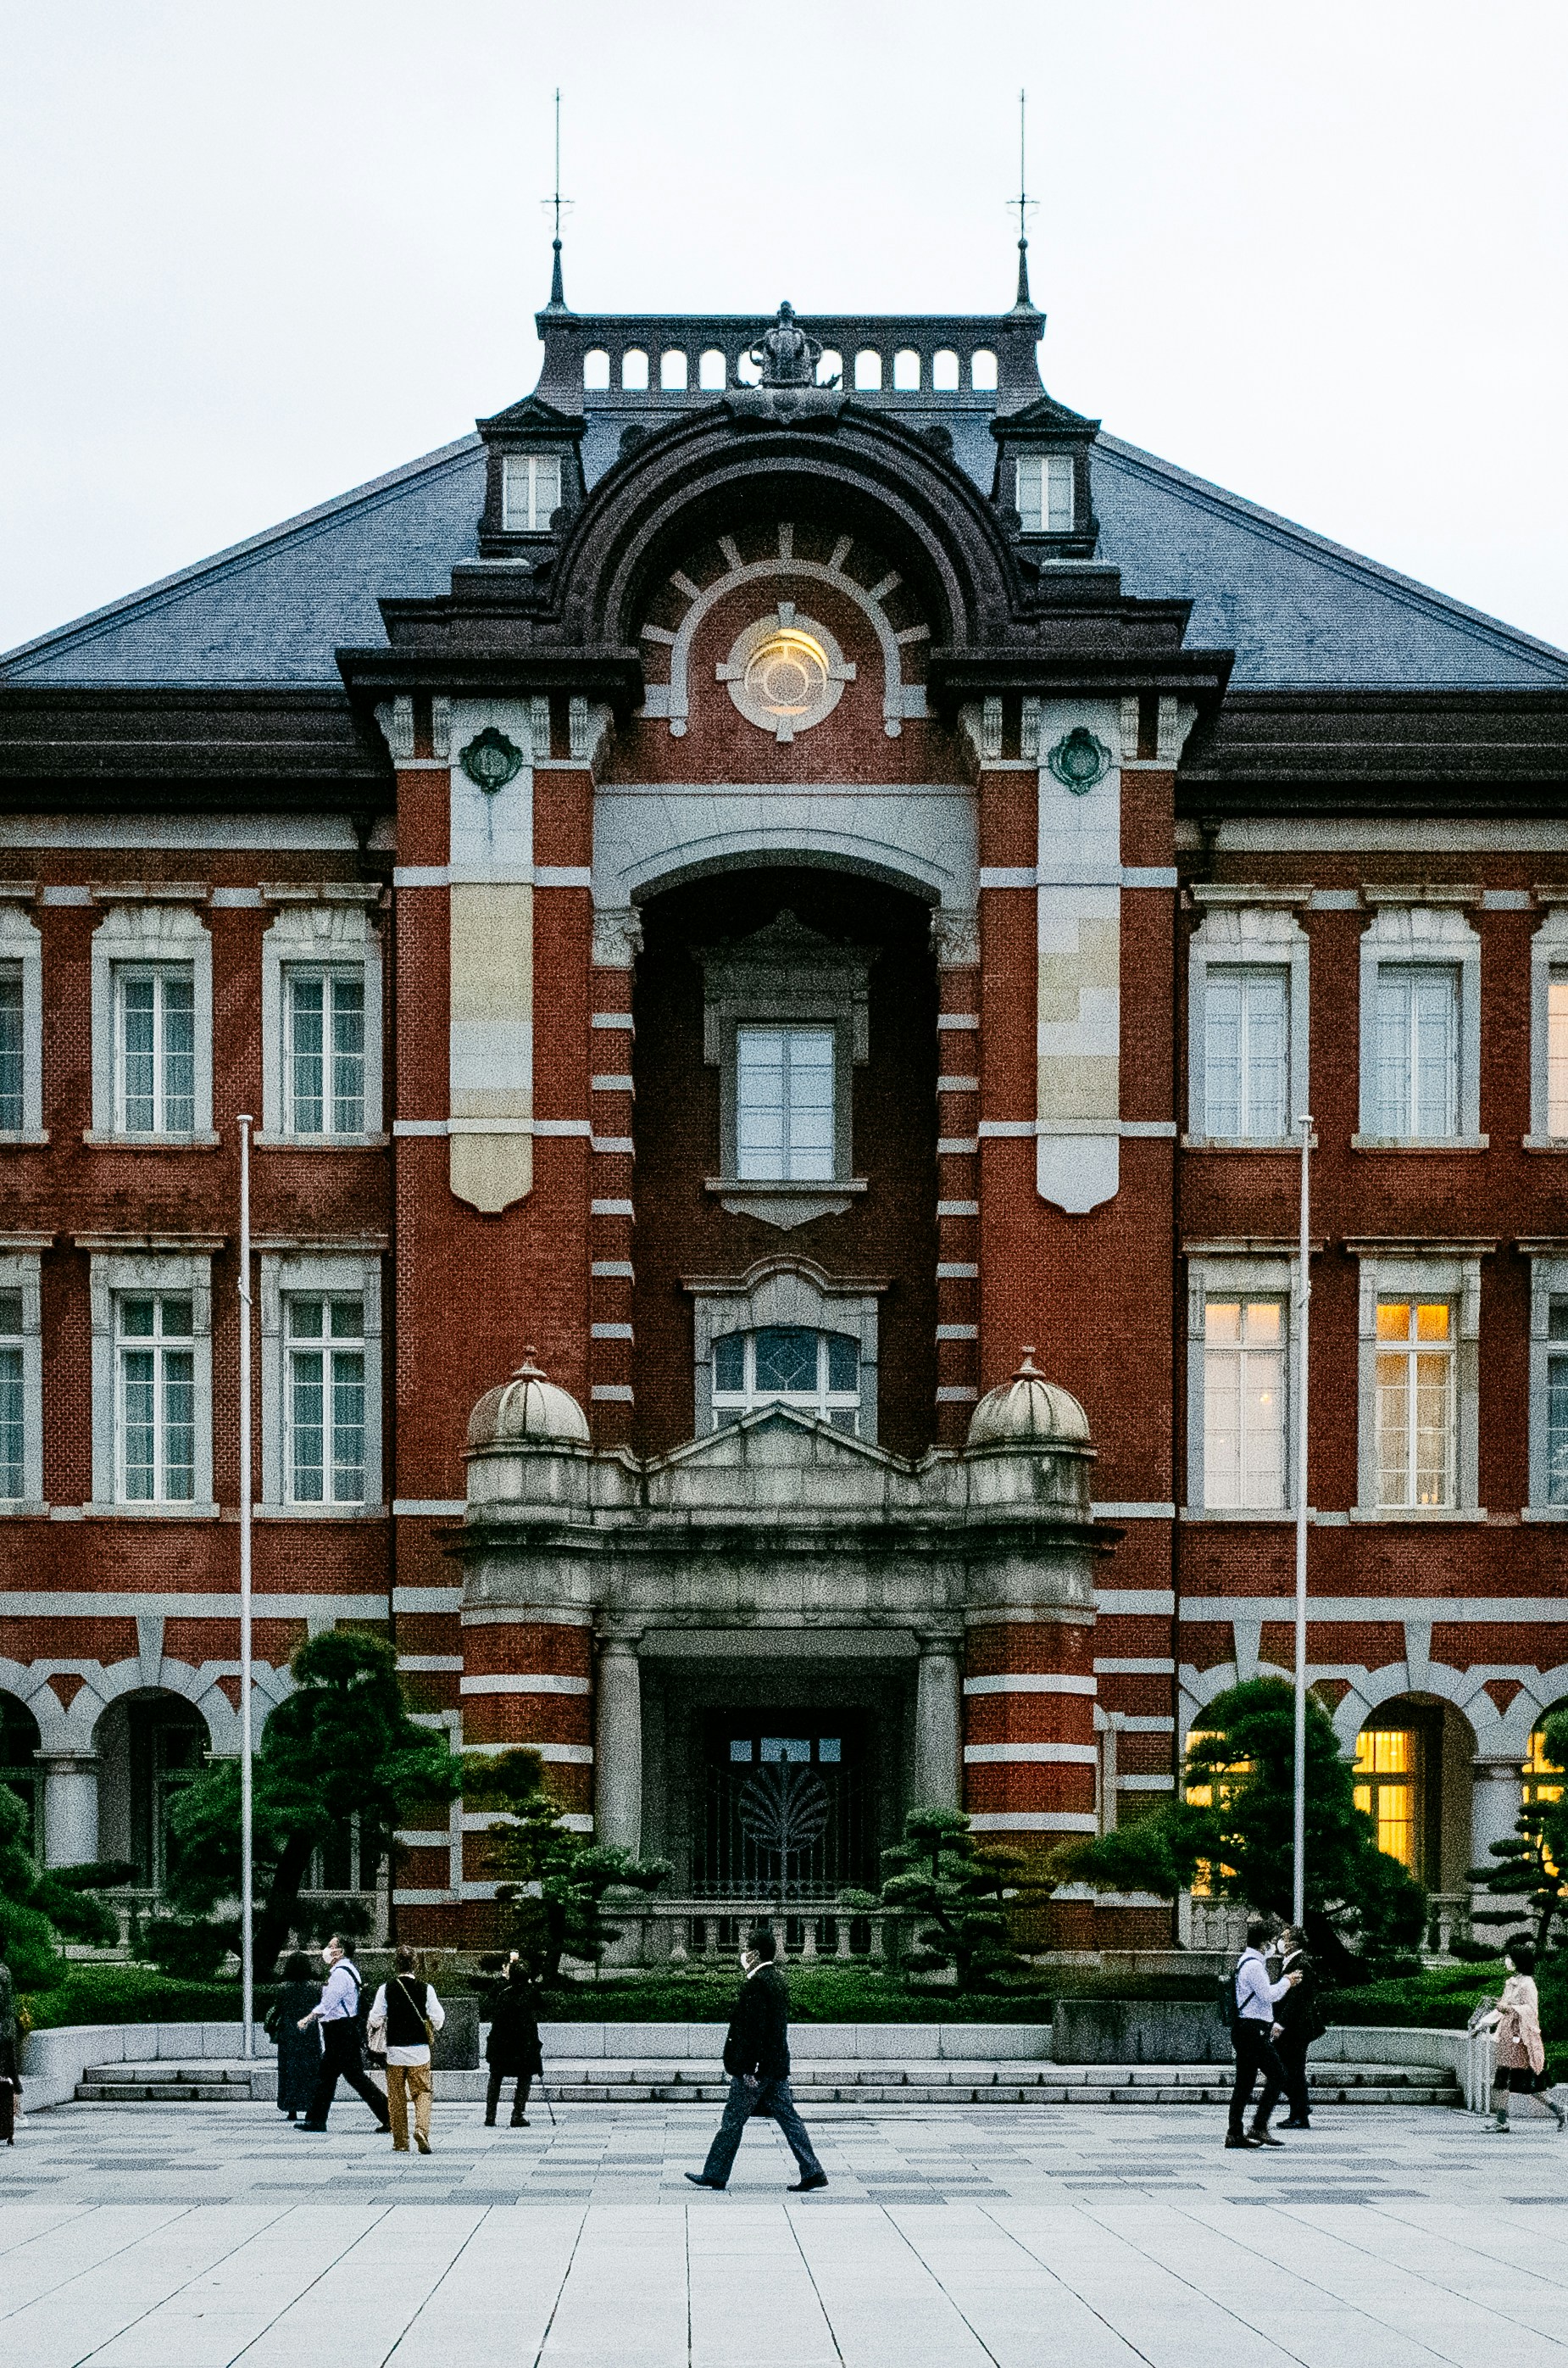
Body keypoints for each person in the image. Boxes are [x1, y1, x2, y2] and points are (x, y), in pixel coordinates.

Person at [686, 1927, 826, 2193]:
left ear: (756, 1953)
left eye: (747, 1949)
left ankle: (714, 2174)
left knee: (733, 2120)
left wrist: (750, 2068)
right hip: (775, 2066)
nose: (744, 1954)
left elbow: (755, 2030)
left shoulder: (758, 1983)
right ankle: (812, 2169)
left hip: (758, 2069)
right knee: (789, 2118)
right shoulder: (777, 1980)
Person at [297, 1934, 390, 2134]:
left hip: (339, 2031)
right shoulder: (347, 1970)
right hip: (341, 2031)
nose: (327, 1950)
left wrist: (308, 2018)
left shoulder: (340, 1974)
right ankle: (316, 2120)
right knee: (328, 2076)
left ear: (340, 1952)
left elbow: (328, 2004)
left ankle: (389, 2115)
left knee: (352, 2077)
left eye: (331, 1946)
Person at [1226, 1915, 1302, 2149]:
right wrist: (1288, 1981)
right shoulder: (1254, 1965)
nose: (1274, 1946)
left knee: (1245, 2083)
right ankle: (1258, 2126)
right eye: (1272, 1940)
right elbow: (1268, 1995)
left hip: (1244, 2028)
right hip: (1253, 2031)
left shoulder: (1244, 1961)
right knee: (1278, 2075)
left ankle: (1235, 2133)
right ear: (1263, 1943)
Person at [1480, 1936, 1566, 2133]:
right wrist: (1483, 2023)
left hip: (1519, 2041)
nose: (1507, 1960)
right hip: (1506, 2038)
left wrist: (1510, 2008)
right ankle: (1502, 2120)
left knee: (1529, 2085)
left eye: (1510, 1957)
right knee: (1502, 2081)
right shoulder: (1511, 1982)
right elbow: (1502, 2008)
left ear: (1519, 1960)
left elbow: (1531, 2010)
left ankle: (1558, 2110)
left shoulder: (1527, 1984)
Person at [368, 1945, 447, 2155]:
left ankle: (400, 2141)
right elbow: (438, 2020)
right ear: (415, 1965)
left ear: (396, 1964)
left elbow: (375, 2018)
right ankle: (421, 2130)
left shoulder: (386, 1988)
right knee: (422, 2092)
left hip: (394, 2050)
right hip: (420, 2050)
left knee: (396, 2096)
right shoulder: (426, 1988)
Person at [1271, 1926, 1322, 2131]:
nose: (1280, 1942)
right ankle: (1300, 2109)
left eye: (1284, 1938)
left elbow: (1296, 2001)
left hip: (1295, 2029)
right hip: (1293, 2028)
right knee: (1290, 2070)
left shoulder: (1301, 1965)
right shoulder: (1292, 1963)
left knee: (1291, 2070)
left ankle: (1300, 2111)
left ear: (1293, 1943)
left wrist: (1280, 2023)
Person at [485, 1953, 543, 2127]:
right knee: (524, 2078)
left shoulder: (503, 1993)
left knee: (496, 2077)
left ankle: (490, 2116)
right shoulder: (530, 1993)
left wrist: (504, 1978)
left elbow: (490, 2001)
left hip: (501, 2044)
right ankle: (517, 2114)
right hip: (524, 2045)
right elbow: (542, 2004)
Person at [266, 1950, 323, 2123]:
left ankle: (290, 2108)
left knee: (289, 2071)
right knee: (310, 2071)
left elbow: (278, 2009)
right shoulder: (316, 1988)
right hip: (309, 2033)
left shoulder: (282, 1988)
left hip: (288, 2034)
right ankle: (308, 2105)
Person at [0, 1921, 19, 2146]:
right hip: (6, 2031)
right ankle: (12, 2120)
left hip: (2, 2033)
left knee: (5, 2076)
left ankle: (10, 2121)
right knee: (9, 2076)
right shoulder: (5, 1969)